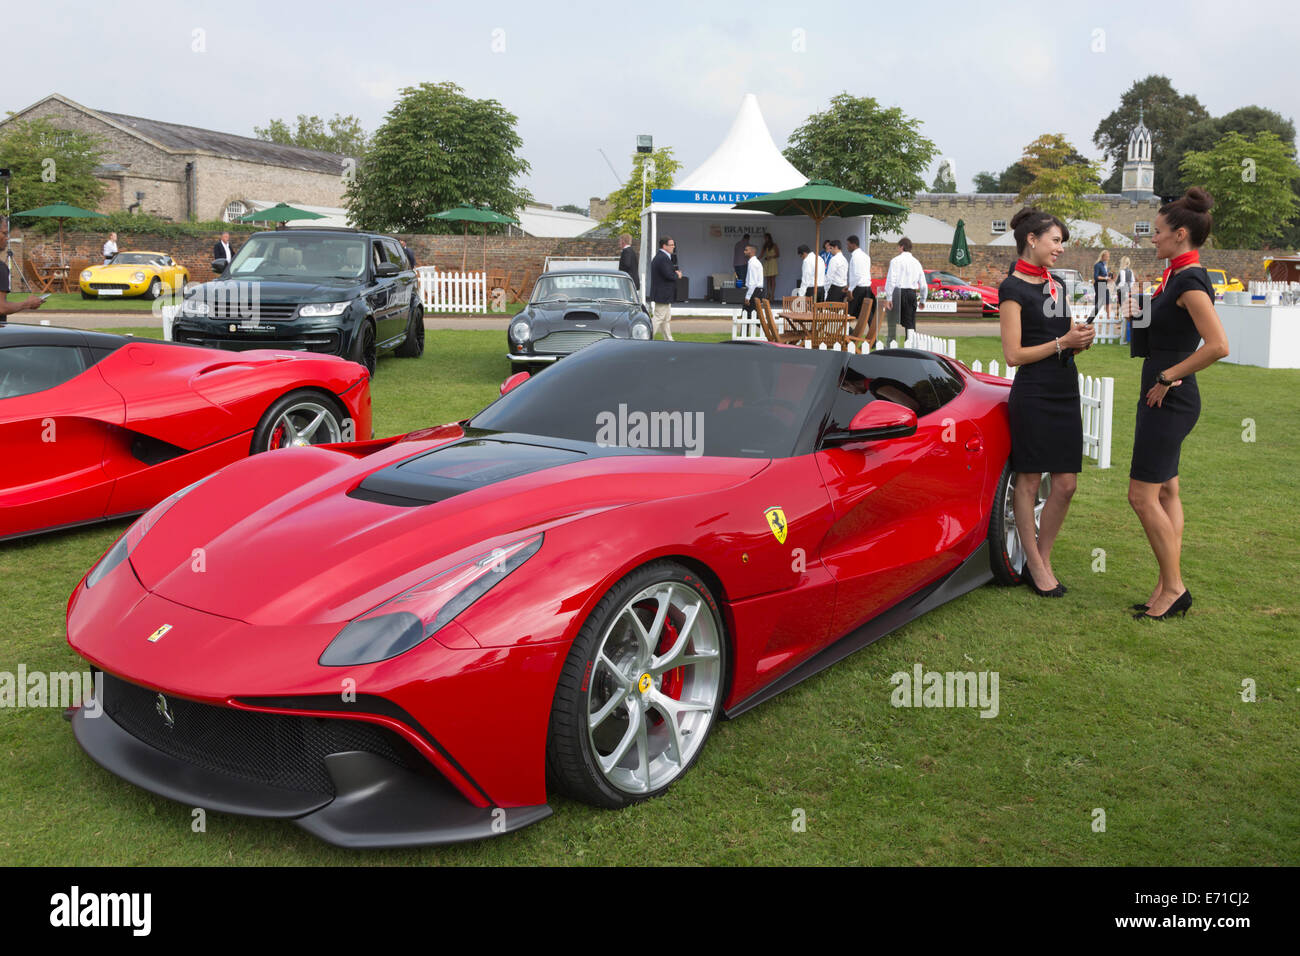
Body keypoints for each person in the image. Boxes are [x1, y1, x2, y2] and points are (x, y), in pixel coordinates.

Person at [1127, 188, 1229, 621]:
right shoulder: (1175, 275)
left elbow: (1218, 345)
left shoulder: (1188, 281)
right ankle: (1164, 584)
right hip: (1163, 391)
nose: (1153, 239)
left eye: (1158, 232)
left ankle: (1174, 588)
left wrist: (1168, 377)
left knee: (1140, 496)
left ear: (1181, 234)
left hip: (1169, 397)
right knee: (1166, 490)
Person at [997, 208, 1096, 597]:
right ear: (1032, 240)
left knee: (1067, 484)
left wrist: (1078, 340)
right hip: (1035, 391)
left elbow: (1060, 338)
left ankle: (1042, 555)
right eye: (1056, 241)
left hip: (1064, 386)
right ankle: (1036, 567)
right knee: (1029, 479)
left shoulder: (1056, 284)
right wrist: (1062, 343)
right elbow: (1013, 355)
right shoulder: (1011, 288)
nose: (1061, 249)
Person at [882, 237, 928, 344]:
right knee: (910, 325)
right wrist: (923, 300)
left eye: (899, 247)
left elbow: (891, 280)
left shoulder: (895, 261)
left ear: (902, 247)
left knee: (892, 323)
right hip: (911, 293)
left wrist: (889, 297)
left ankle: (891, 345)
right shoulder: (917, 263)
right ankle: (910, 347)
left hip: (897, 293)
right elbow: (923, 284)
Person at [0, 223, 44, 320]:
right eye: (4, 233)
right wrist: (27, 304)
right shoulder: (1, 268)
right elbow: (1, 308)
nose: (7, 238)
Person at [650, 236, 680, 340]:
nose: (673, 247)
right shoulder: (662, 258)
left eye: (673, 244)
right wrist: (677, 275)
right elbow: (669, 275)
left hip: (664, 294)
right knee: (658, 317)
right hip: (663, 294)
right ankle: (645, 337)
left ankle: (668, 339)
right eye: (671, 245)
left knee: (666, 319)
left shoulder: (662, 257)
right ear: (664, 246)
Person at [846, 235, 875, 334]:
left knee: (849, 313)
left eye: (848, 244)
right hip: (867, 287)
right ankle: (873, 337)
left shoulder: (855, 257)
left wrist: (850, 289)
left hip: (858, 288)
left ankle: (849, 334)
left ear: (853, 244)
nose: (847, 247)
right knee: (868, 314)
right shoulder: (866, 256)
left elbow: (857, 275)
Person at [742, 242, 765, 322]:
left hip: (755, 291)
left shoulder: (753, 263)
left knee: (750, 315)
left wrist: (748, 296)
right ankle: (745, 334)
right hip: (756, 291)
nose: (744, 252)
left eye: (746, 250)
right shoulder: (753, 262)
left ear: (751, 252)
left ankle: (769, 331)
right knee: (750, 315)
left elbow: (753, 282)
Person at [760, 233, 779, 299]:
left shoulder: (774, 245)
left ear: (769, 238)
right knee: (767, 279)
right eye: (764, 238)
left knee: (772, 279)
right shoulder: (764, 245)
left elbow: (778, 254)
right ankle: (768, 294)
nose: (765, 239)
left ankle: (772, 295)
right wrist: (756, 259)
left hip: (773, 263)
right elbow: (761, 254)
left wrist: (771, 257)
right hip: (767, 263)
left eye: (766, 238)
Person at [1093, 250, 1111, 320]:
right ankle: (1094, 316)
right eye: (1106, 256)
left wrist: (1108, 278)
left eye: (1108, 256)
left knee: (1107, 300)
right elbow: (1096, 277)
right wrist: (1105, 278)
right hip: (1099, 285)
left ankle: (1108, 317)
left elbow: (1105, 276)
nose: (1108, 258)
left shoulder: (1105, 265)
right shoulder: (1097, 265)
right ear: (1102, 256)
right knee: (1099, 302)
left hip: (1104, 284)